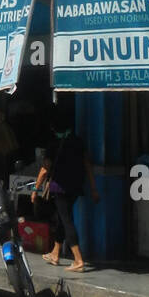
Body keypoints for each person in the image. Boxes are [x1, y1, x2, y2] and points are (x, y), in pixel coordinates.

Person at [30, 111, 99, 272]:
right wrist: (94, 188)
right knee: (63, 218)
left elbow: (44, 170)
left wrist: (35, 189)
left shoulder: (53, 144)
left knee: (67, 220)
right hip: (76, 187)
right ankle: (55, 253)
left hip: (59, 188)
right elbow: (87, 165)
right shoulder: (77, 141)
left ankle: (78, 259)